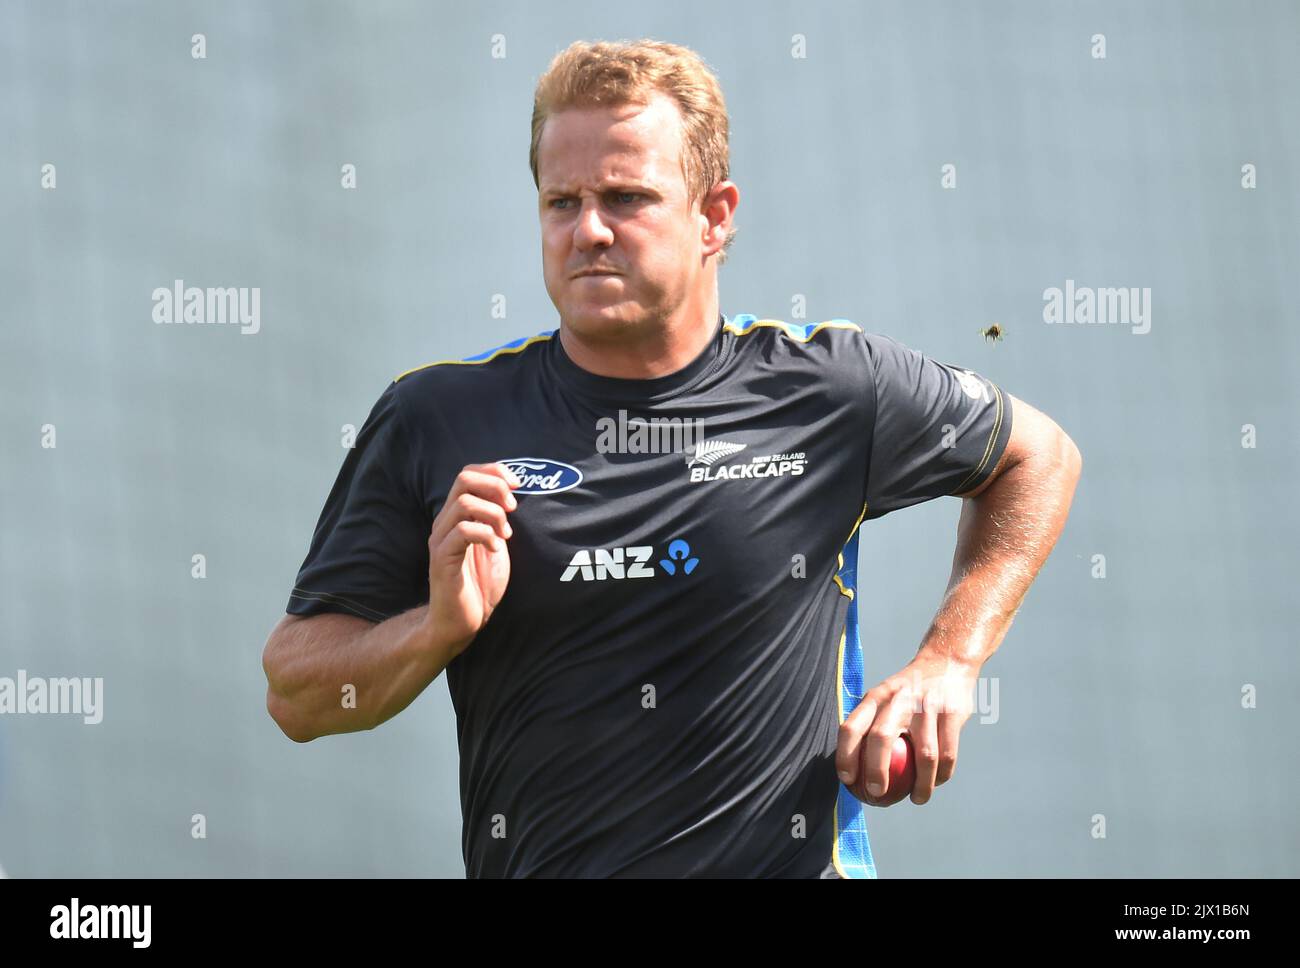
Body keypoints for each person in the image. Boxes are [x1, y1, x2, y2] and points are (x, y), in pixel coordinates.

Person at [261, 38, 1082, 878]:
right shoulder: (436, 418)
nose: (588, 229)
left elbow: (1040, 457)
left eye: (626, 197)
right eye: (561, 201)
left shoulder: (833, 388)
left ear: (715, 215)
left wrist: (949, 660)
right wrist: (433, 630)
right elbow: (295, 695)